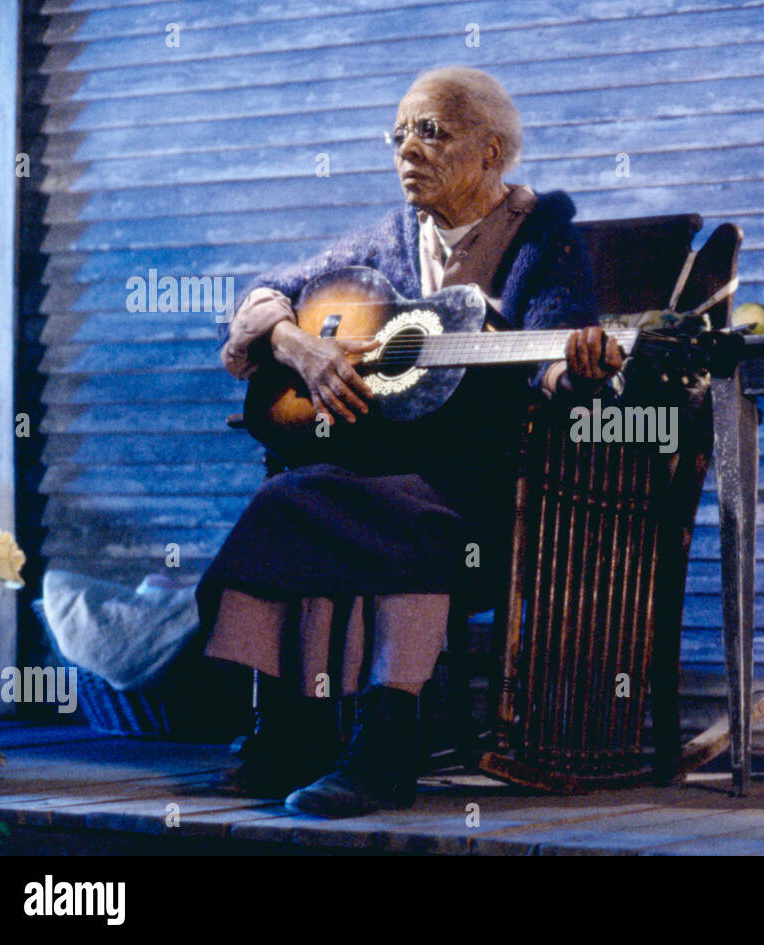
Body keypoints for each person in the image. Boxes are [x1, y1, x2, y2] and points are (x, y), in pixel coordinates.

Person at [198, 66, 623, 818]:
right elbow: (261, 298)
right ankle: (289, 730)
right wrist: (300, 347)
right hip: (374, 471)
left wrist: (579, 370)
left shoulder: (545, 244)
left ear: (490, 152)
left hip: (484, 493)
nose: (406, 150)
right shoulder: (382, 242)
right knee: (289, 496)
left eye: (430, 132)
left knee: (400, 519)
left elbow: (550, 361)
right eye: (398, 135)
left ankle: (385, 747)